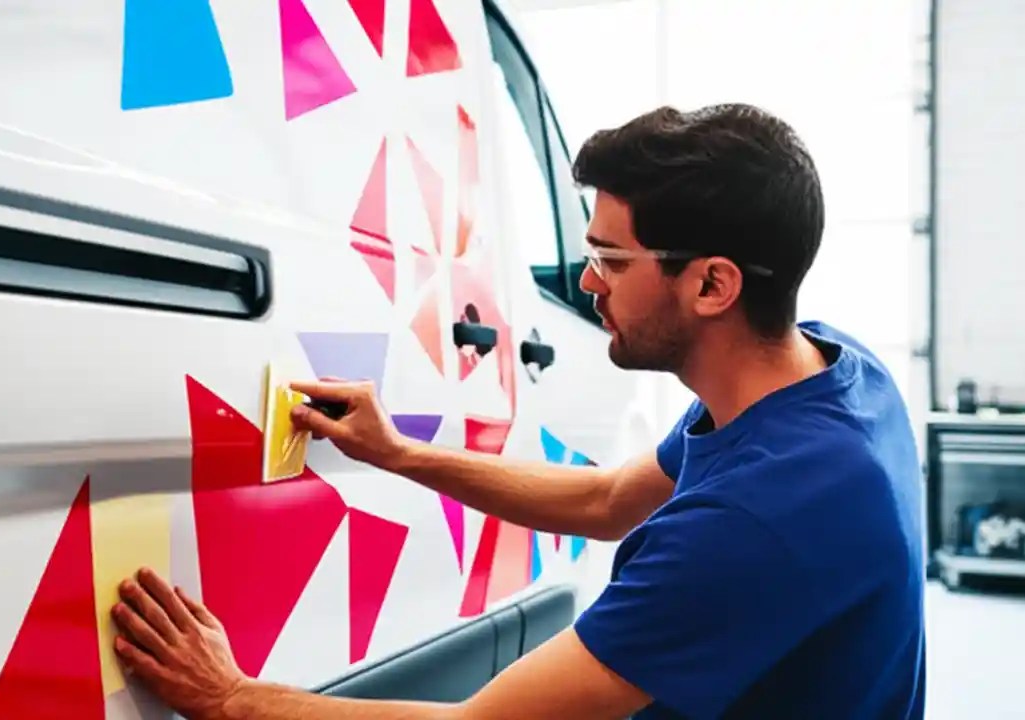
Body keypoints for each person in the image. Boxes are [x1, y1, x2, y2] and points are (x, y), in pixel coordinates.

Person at [108, 103, 927, 719]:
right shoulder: (827, 371)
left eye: (609, 258)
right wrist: (400, 452)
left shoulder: (760, 519)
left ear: (714, 284)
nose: (586, 282)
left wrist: (231, 699)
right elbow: (607, 501)